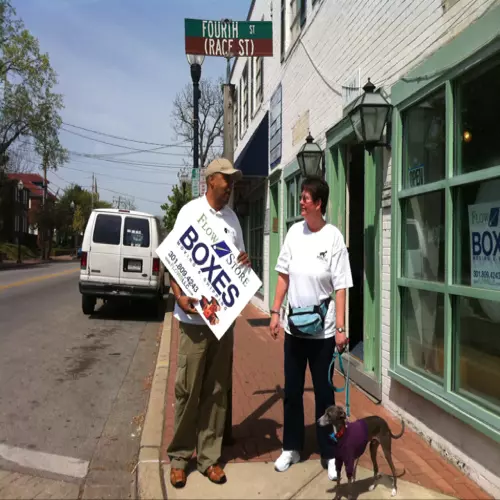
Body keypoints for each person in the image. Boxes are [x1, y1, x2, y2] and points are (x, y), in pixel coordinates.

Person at [168, 158, 251, 488]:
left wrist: (244, 263)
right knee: (189, 390)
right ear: (210, 181)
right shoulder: (190, 212)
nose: (230, 185)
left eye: (232, 181)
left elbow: (239, 264)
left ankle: (209, 458)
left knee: (217, 392)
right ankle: (178, 457)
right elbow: (173, 259)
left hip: (222, 321)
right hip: (192, 319)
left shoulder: (233, 219)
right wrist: (178, 295)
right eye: (226, 180)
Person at [269, 175, 353, 481]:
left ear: (318, 204)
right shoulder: (293, 233)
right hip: (294, 331)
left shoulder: (333, 238)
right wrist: (275, 311)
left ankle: (330, 453)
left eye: (305, 198)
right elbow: (283, 276)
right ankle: (291, 447)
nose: (301, 203)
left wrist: (341, 328)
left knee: (324, 395)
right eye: (301, 197)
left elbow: (341, 287)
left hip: (323, 334)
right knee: (291, 391)